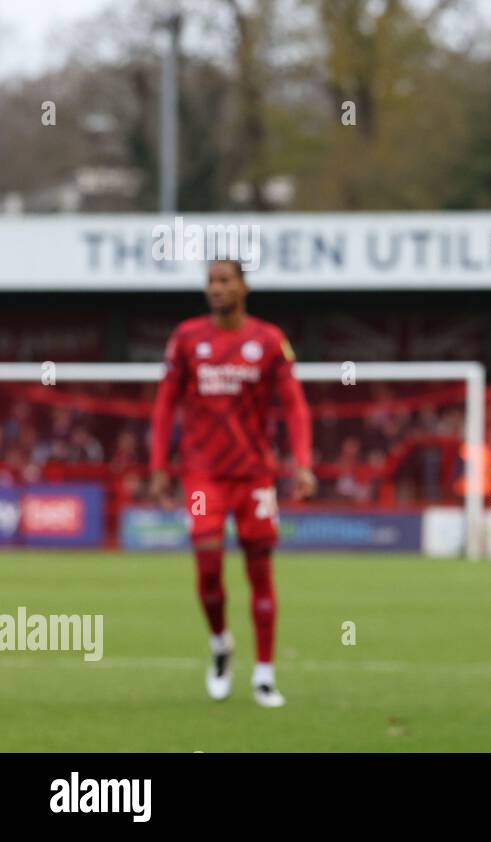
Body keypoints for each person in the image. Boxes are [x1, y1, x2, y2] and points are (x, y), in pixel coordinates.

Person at [149, 259, 316, 707]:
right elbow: (165, 405)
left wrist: (302, 464)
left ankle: (264, 672)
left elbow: (295, 406)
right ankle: (221, 643)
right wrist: (159, 465)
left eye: (225, 280)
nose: (216, 288)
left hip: (254, 475)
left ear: (244, 286)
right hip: (202, 475)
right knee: (207, 564)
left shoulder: (268, 340)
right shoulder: (187, 338)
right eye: (210, 282)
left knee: (259, 570)